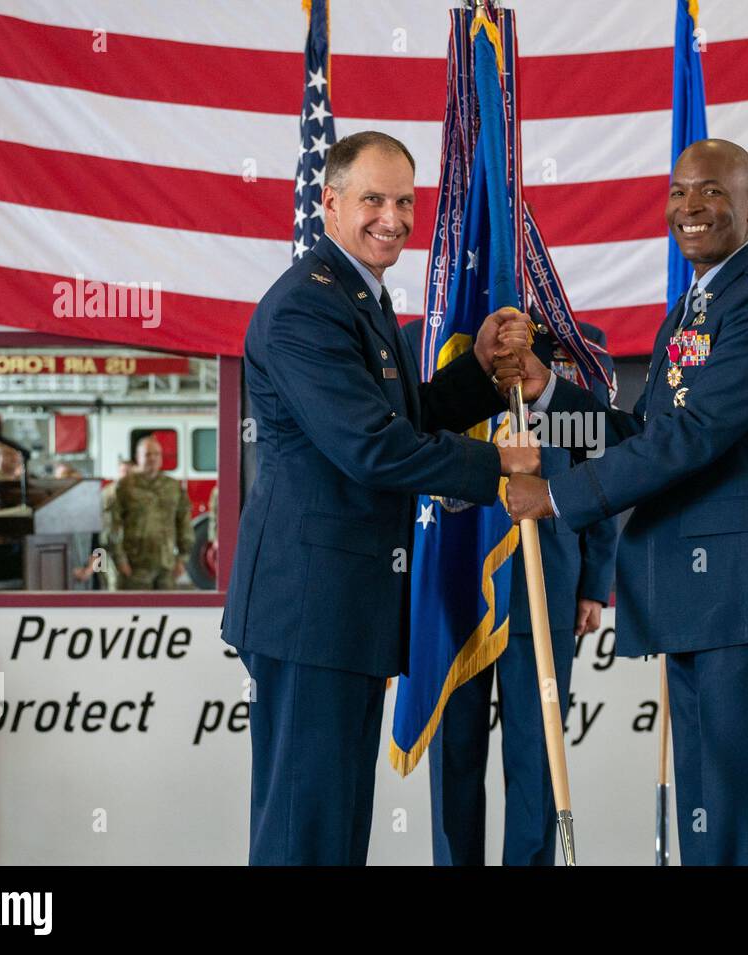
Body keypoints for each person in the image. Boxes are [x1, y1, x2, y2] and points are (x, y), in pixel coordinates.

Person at [503, 138, 748, 865]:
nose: (691, 206)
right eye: (680, 191)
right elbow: (646, 432)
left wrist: (556, 497)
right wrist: (549, 392)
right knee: (709, 819)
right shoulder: (693, 308)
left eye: (713, 190)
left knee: (745, 820)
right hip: (700, 599)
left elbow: (694, 436)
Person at [220, 131, 538, 866]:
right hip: (311, 608)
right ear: (329, 202)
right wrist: (499, 465)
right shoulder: (307, 308)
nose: (391, 219)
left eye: (404, 201)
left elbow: (404, 417)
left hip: (343, 609)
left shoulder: (357, 294)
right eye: (372, 200)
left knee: (334, 831)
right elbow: (372, 446)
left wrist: (481, 370)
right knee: (306, 833)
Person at [402, 317, 619, 866]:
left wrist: (594, 583)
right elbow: (402, 453)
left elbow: (600, 463)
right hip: (451, 577)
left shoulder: (579, 347)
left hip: (543, 576)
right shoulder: (424, 335)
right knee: (454, 756)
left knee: (536, 755)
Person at [108, 438, 193, 590]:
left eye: (157, 454)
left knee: (167, 605)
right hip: (134, 566)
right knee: (135, 604)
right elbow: (112, 526)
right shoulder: (124, 487)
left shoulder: (173, 487)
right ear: (138, 457)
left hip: (166, 565)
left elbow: (184, 523)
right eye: (147, 454)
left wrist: (183, 558)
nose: (152, 458)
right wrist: (120, 560)